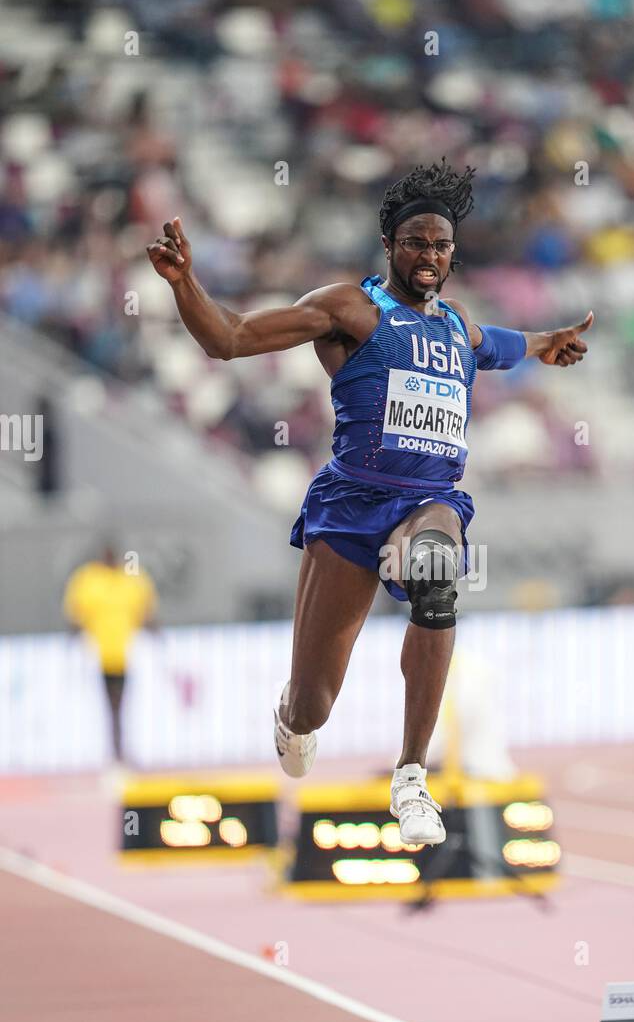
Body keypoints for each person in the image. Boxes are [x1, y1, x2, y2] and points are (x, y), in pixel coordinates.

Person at [146, 159, 593, 844]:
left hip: (431, 501)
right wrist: (185, 285)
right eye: (416, 242)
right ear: (389, 244)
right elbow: (229, 338)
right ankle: (292, 719)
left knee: (439, 575)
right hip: (352, 506)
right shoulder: (349, 309)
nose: (430, 256)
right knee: (313, 705)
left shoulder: (455, 325)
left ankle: (412, 775)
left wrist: (548, 343)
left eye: (442, 246)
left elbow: (501, 345)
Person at [63, 544, 158, 760]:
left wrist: (155, 634)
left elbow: (147, 611)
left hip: (126, 654)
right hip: (100, 655)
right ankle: (114, 749)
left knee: (123, 705)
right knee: (109, 706)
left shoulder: (131, 579)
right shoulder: (89, 579)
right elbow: (76, 614)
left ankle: (121, 748)